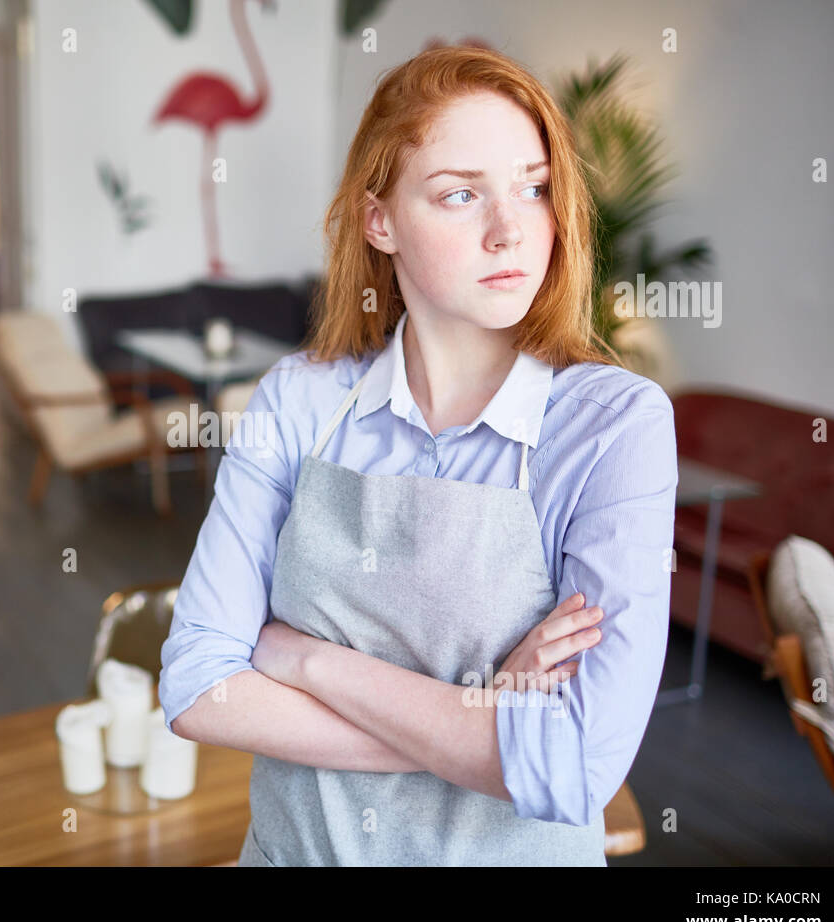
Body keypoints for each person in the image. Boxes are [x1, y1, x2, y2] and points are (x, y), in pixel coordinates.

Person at [158, 46, 678, 866]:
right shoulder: (300, 400)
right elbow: (197, 686)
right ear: (380, 220)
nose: (511, 229)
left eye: (534, 187)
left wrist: (299, 656)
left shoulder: (614, 426)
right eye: (460, 194)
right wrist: (484, 724)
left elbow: (575, 763)